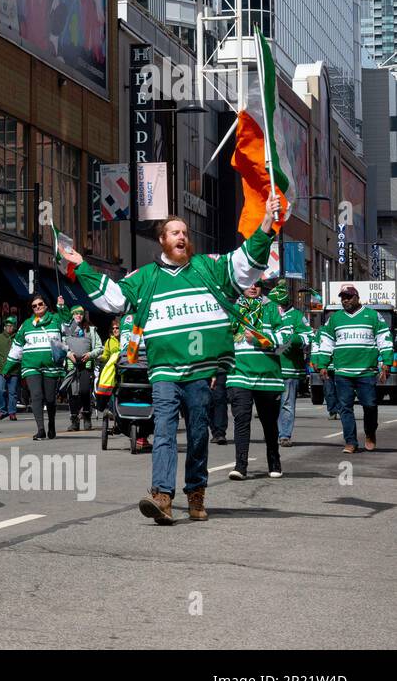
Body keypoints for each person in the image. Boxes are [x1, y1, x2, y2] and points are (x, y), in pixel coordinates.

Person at [61, 194, 280, 525]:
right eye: (175, 232)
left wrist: (266, 224)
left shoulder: (208, 268)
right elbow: (113, 298)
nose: (182, 236)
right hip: (163, 371)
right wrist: (81, 265)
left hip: (199, 372)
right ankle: (162, 496)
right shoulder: (145, 277)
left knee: (196, 433)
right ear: (162, 241)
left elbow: (245, 263)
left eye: (185, 232)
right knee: (163, 430)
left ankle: (196, 493)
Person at [312, 284, 392, 453]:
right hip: (342, 372)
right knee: (345, 407)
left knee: (370, 405)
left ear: (357, 297)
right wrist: (323, 364)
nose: (345, 300)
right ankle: (351, 442)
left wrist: (386, 362)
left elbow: (384, 339)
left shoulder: (372, 316)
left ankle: (370, 432)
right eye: (343, 297)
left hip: (367, 371)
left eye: (348, 297)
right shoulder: (335, 319)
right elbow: (326, 342)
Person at [226, 282, 292, 480]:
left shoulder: (272, 308)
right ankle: (240, 466)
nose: (253, 287)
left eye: (257, 284)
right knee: (241, 419)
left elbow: (286, 337)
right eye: (248, 284)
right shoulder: (233, 309)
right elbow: (221, 338)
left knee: (269, 423)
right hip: (239, 374)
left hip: (267, 376)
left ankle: (274, 461)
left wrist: (258, 337)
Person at [1, 295, 70, 440]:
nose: (38, 307)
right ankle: (41, 429)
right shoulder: (26, 324)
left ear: (46, 305)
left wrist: (62, 308)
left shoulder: (56, 319)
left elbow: (69, 325)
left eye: (40, 304)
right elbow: (17, 347)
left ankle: (51, 425)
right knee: (36, 395)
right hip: (30, 366)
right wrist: (7, 368)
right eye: (34, 305)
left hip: (51, 366)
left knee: (50, 399)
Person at [271, 284, 311, 447]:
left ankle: (284, 435)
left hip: (290, 369)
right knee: (270, 404)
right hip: (270, 369)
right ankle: (272, 433)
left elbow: (308, 337)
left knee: (286, 403)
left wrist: (293, 340)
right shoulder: (268, 313)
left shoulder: (296, 316)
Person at [61, 305, 100, 431]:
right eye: (76, 313)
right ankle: (74, 420)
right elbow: (59, 345)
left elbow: (100, 347)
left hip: (86, 365)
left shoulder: (91, 330)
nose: (78, 315)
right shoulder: (66, 329)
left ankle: (87, 416)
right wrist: (68, 354)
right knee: (72, 393)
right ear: (72, 315)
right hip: (72, 366)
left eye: (81, 313)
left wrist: (90, 354)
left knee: (84, 391)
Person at [94, 318, 121, 428]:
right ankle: (112, 411)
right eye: (113, 328)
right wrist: (99, 357)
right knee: (112, 391)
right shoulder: (109, 341)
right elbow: (106, 356)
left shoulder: (126, 338)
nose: (115, 330)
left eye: (117, 328)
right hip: (113, 369)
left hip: (125, 368)